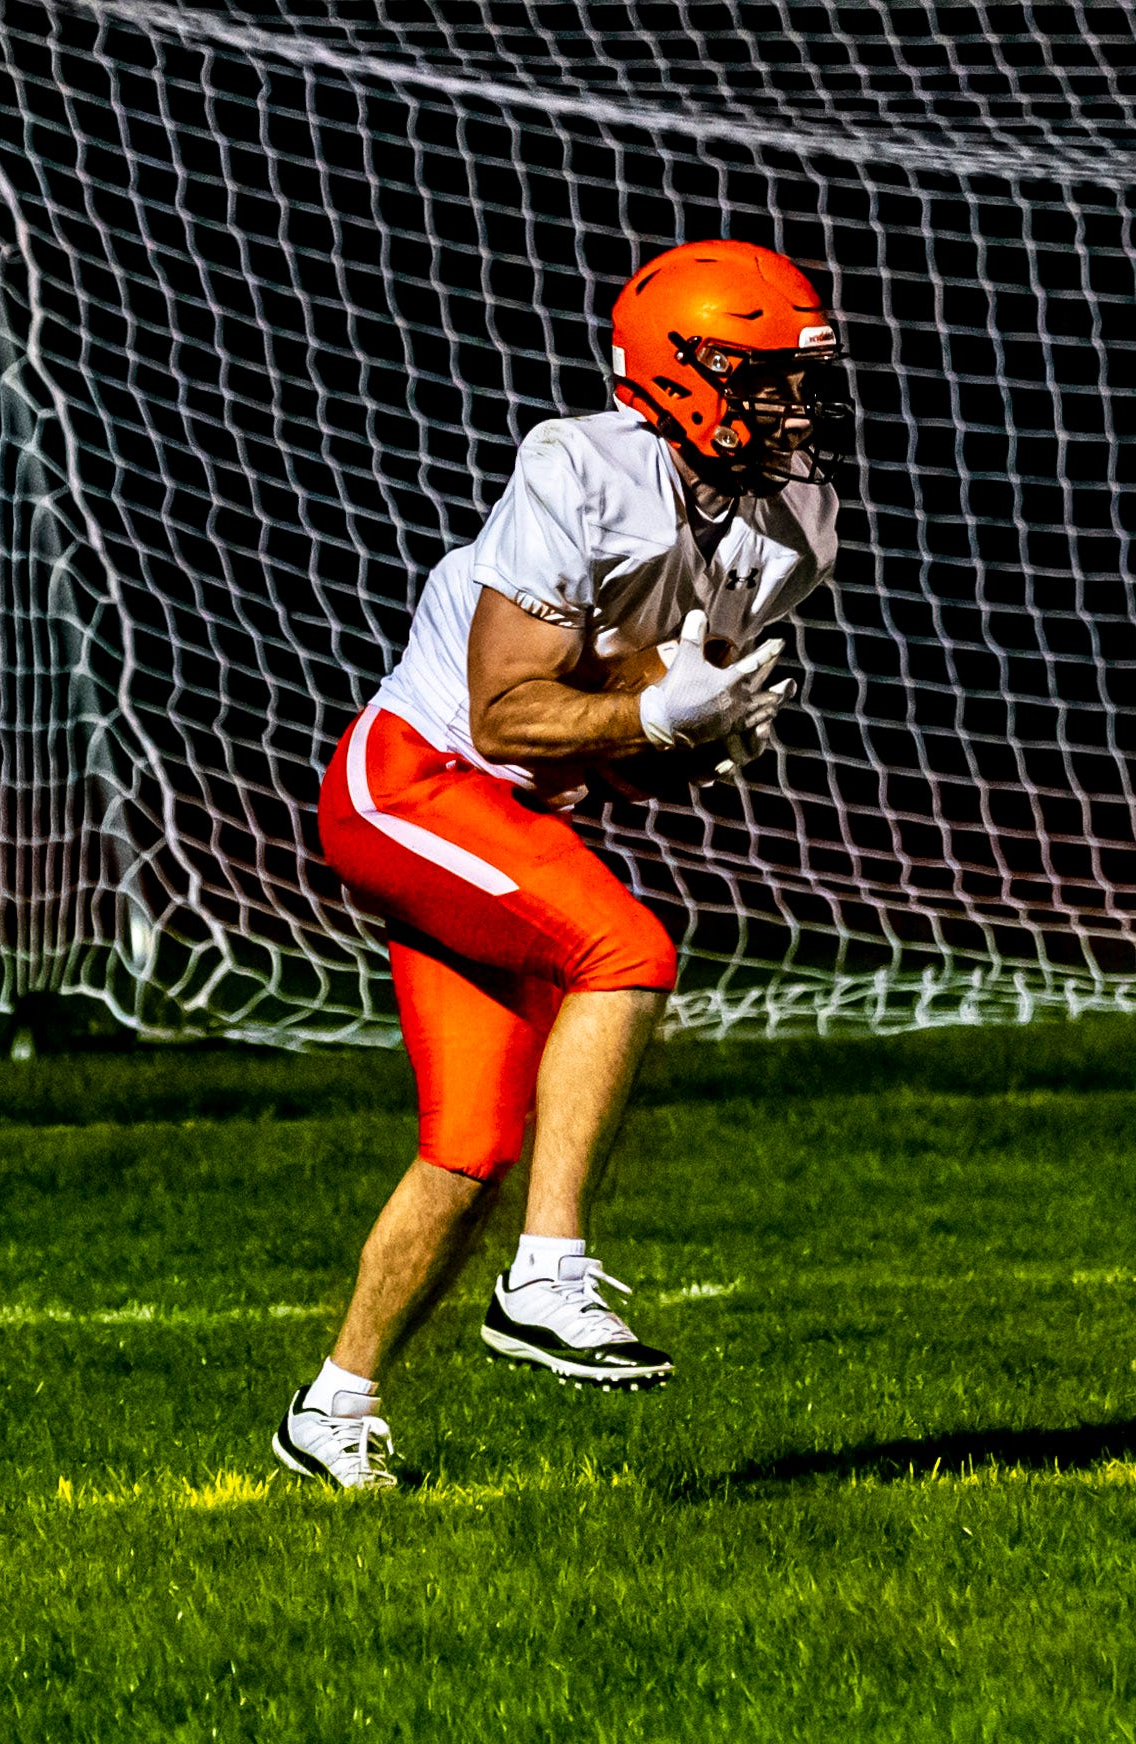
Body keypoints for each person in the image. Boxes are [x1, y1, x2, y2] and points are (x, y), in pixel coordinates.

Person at [272, 240, 851, 1489]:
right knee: (627, 950)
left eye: (799, 382)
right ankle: (546, 1274)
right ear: (679, 374)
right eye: (763, 380)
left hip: (514, 814)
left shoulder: (796, 522)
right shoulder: (577, 466)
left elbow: (629, 737)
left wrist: (698, 741)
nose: (794, 409)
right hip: (411, 783)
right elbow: (505, 713)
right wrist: (654, 713)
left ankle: (334, 1403)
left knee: (467, 1142)